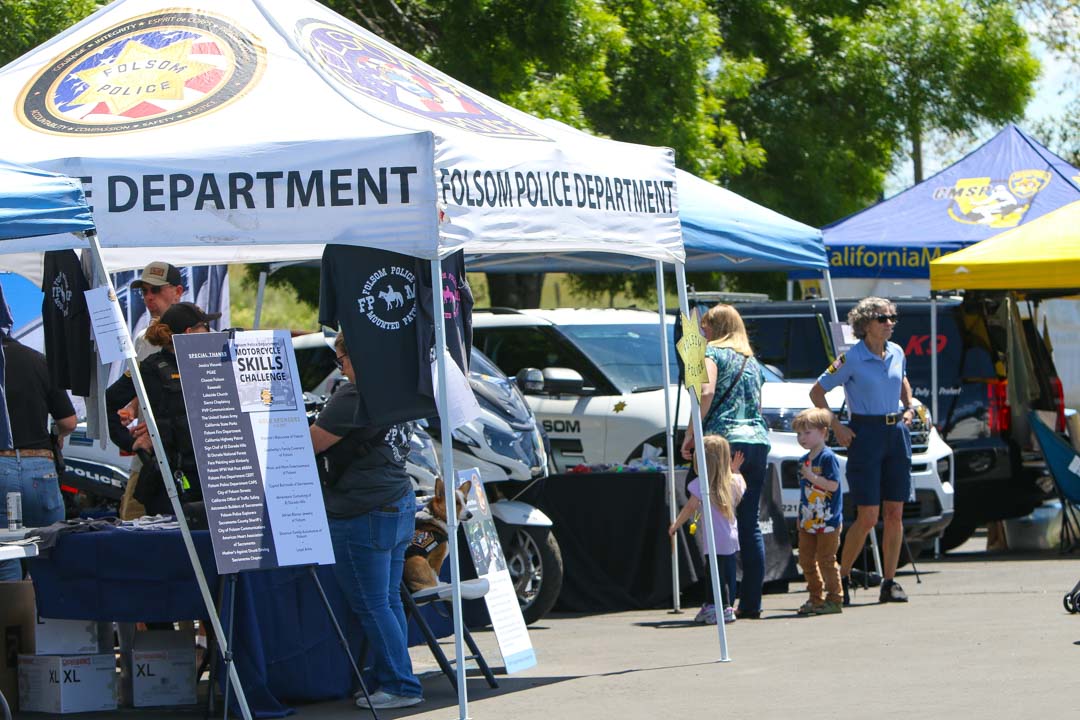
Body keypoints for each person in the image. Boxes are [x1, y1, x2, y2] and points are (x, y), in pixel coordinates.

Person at [310, 333, 423, 710]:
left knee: (374, 604)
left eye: (340, 358)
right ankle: (396, 677)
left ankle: (401, 685)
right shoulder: (396, 388)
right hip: (396, 499)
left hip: (363, 508)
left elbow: (310, 443)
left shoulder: (351, 396)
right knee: (387, 601)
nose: (339, 366)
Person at [809, 297, 914, 605]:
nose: (890, 322)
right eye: (883, 318)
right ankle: (842, 577)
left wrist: (909, 407)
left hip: (895, 433)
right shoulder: (850, 358)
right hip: (865, 433)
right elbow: (817, 391)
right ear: (866, 324)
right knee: (868, 515)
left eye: (893, 317)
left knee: (895, 512)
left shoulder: (897, 352)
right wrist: (837, 427)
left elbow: (902, 379)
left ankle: (890, 581)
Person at [681, 303, 771, 619]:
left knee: (719, 523)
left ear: (716, 328)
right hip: (757, 441)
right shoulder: (753, 362)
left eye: (705, 327)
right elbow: (758, 404)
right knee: (748, 524)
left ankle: (720, 603)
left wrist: (691, 434)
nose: (702, 333)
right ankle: (752, 602)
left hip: (722, 442)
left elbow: (705, 393)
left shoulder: (713, 355)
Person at [105, 302, 216, 516]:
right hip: (171, 476)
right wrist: (131, 442)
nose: (210, 332)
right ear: (189, 332)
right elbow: (110, 400)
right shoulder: (151, 367)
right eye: (205, 327)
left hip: (210, 475)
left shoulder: (212, 365)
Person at [0, 334, 77, 580]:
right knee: (49, 550)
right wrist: (56, 434)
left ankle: (14, 618)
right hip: (40, 466)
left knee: (6, 556)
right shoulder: (38, 361)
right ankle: (49, 613)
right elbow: (69, 421)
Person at [120, 261, 186, 520]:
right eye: (144, 291)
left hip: (186, 455)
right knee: (131, 519)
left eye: (156, 290)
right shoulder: (143, 339)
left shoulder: (197, 334)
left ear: (178, 291)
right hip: (147, 455)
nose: (149, 298)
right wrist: (131, 408)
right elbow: (142, 388)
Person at [670, 436, 746, 625]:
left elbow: (689, 508)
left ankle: (716, 607)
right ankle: (726, 606)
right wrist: (735, 469)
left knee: (714, 575)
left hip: (714, 540)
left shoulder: (700, 485)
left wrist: (675, 525)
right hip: (730, 537)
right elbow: (741, 487)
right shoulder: (735, 481)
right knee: (728, 573)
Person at [793, 407, 843, 616]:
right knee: (805, 559)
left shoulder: (827, 457)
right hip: (808, 519)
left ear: (823, 432)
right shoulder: (805, 460)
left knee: (826, 559)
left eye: (807, 433)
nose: (802, 438)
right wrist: (799, 516)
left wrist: (813, 478)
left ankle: (834, 597)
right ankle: (816, 596)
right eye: (799, 434)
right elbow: (805, 493)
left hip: (828, 520)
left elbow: (832, 485)